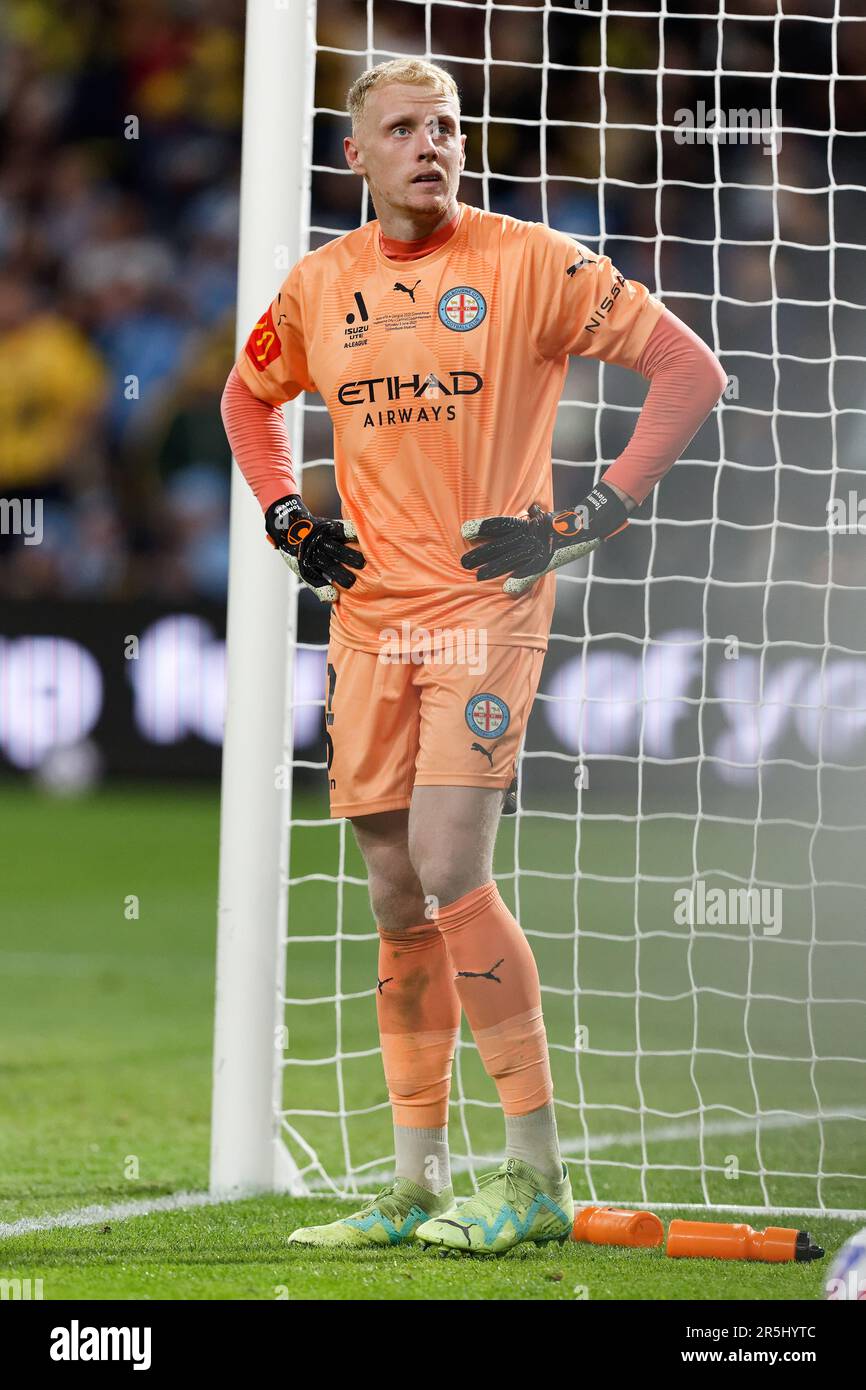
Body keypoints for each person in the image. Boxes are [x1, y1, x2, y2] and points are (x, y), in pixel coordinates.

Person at [221, 57, 726, 1255]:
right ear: (357, 155)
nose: (430, 144)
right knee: (397, 897)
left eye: (444, 126)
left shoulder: (528, 263)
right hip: (370, 619)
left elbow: (688, 371)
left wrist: (588, 515)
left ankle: (536, 1172)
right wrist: (286, 512)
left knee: (449, 865)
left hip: (485, 605)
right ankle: (414, 1179)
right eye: (400, 128)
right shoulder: (316, 286)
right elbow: (246, 404)